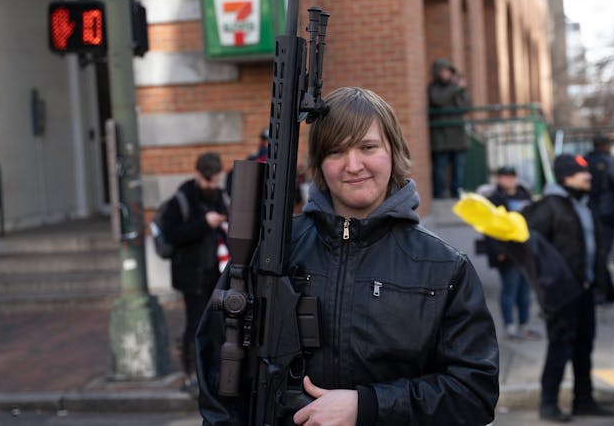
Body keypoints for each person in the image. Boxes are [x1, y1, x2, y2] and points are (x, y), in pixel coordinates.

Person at [197, 87, 499, 425]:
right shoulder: (270, 251)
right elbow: (217, 373)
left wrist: (367, 406)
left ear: (393, 152)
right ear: (319, 164)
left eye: (368, 147)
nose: (353, 165)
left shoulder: (444, 267)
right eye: (336, 151)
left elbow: (474, 393)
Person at [523, 154, 614, 422]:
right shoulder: (549, 207)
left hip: (585, 290)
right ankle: (548, 403)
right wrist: (547, 284)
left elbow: (593, 248)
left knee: (584, 346)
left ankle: (583, 400)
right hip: (562, 293)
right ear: (565, 177)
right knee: (559, 347)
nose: (588, 176)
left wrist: (602, 283)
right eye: (580, 172)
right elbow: (531, 247)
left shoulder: (583, 204)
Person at [158, 151, 228, 394]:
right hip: (192, 275)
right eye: (208, 181)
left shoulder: (220, 196)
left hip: (216, 271)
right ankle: (191, 375)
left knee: (218, 325)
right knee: (195, 325)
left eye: (215, 180)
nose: (212, 186)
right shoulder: (182, 199)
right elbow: (173, 234)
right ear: (197, 174)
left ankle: (213, 372)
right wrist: (204, 223)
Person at [485, 165, 540, 340]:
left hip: (526, 251)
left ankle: (523, 325)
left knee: (525, 291)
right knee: (510, 289)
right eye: (504, 177)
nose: (509, 180)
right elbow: (488, 227)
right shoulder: (494, 199)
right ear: (499, 179)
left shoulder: (524, 194)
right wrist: (499, 251)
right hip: (508, 253)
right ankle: (509, 327)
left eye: (511, 176)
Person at [428, 58, 470, 199]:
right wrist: (457, 89)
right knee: (440, 165)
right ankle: (439, 193)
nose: (446, 74)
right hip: (441, 136)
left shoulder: (456, 87)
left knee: (459, 166)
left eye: (448, 71)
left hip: (457, 134)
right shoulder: (434, 87)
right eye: (443, 71)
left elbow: (465, 106)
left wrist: (462, 90)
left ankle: (456, 191)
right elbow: (438, 100)